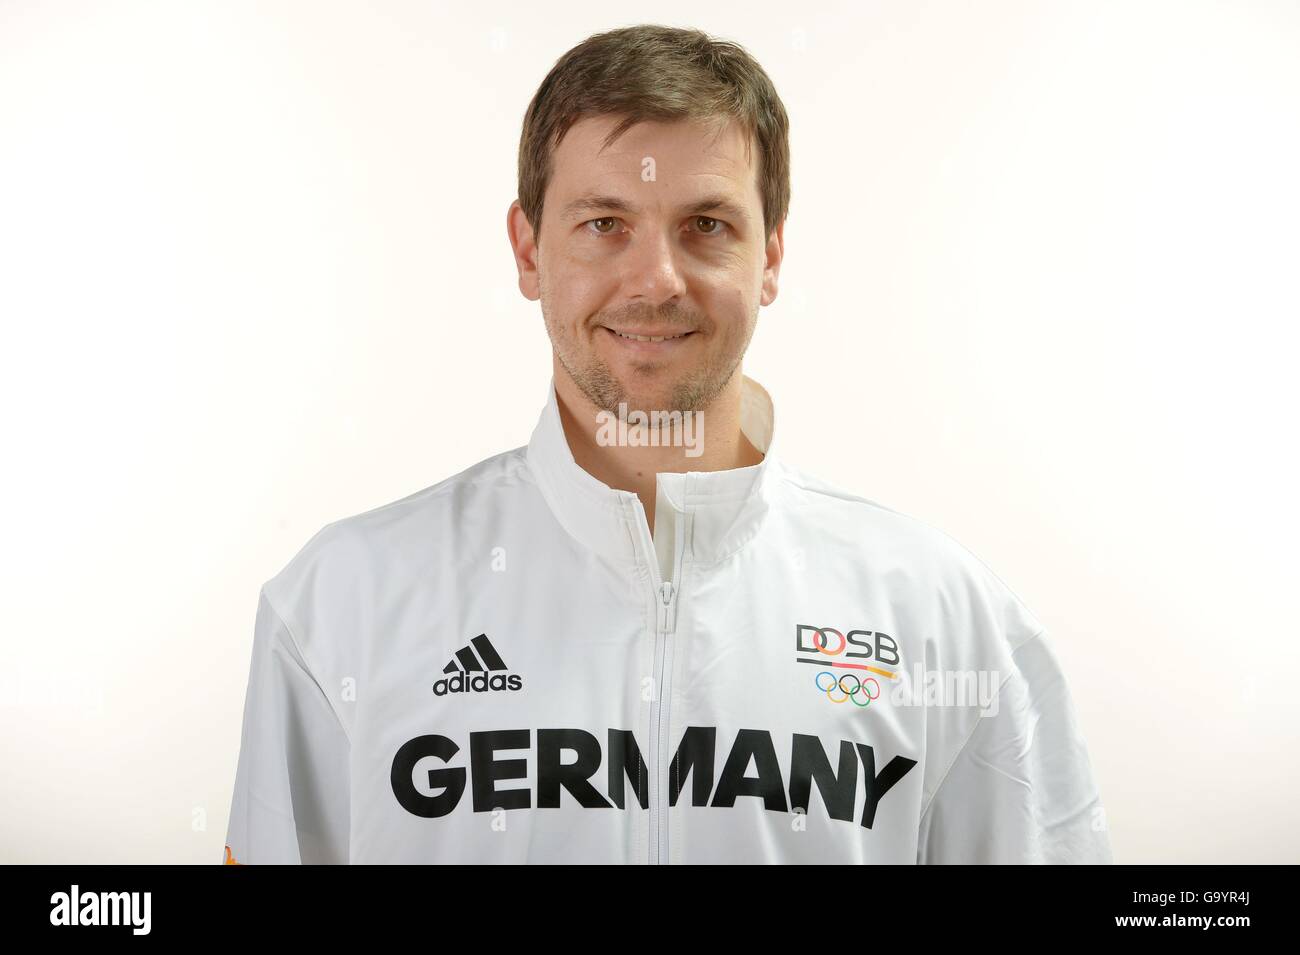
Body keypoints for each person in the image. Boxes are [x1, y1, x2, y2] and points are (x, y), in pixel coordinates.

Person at [223, 23, 1112, 864]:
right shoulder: (342, 603)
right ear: (528, 249)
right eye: (604, 223)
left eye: (707, 226)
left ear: (770, 259)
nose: (655, 280)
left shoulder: (947, 621)